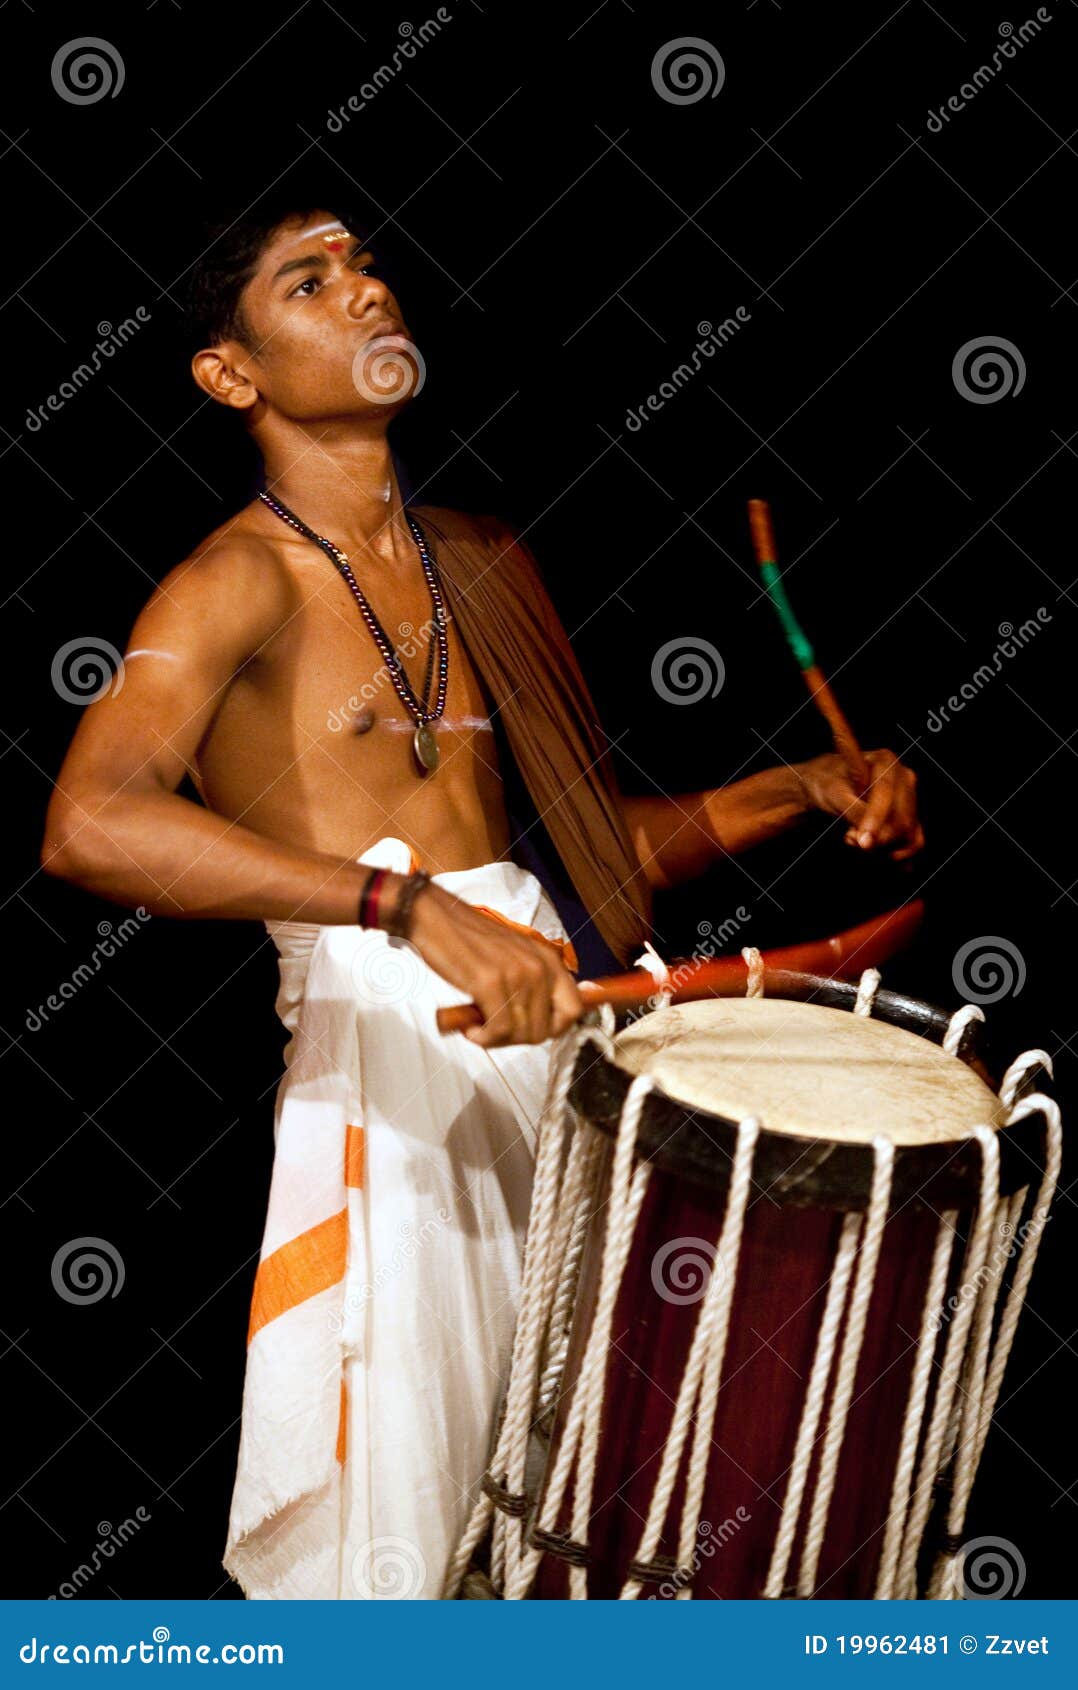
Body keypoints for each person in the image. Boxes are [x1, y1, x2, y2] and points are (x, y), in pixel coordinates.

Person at [39, 191, 923, 1599]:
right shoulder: (230, 585)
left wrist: (794, 790)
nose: (367, 294)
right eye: (308, 286)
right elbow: (89, 823)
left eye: (369, 268)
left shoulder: (483, 563)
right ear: (231, 373)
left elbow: (583, 860)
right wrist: (401, 908)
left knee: (567, 1531)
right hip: (387, 1093)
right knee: (405, 1541)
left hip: (549, 1069)